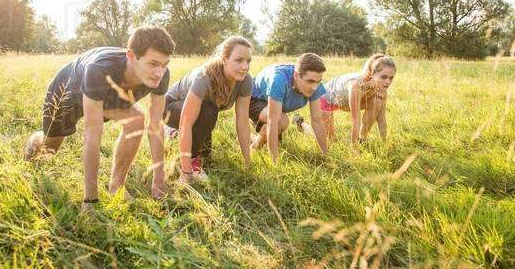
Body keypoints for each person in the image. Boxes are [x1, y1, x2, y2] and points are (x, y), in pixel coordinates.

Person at [24, 26, 175, 211]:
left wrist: (159, 178)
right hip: (70, 92)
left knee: (137, 119)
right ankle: (34, 141)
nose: (159, 73)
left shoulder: (161, 75)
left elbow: (156, 126)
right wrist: (90, 200)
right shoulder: (100, 69)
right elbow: (91, 135)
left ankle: (116, 187)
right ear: (131, 56)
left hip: (110, 95)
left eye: (164, 64)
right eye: (153, 64)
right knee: (48, 150)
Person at [163, 36, 253, 183]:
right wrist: (187, 172)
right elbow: (186, 123)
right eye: (239, 60)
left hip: (201, 112)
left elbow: (242, 123)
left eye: (248, 61)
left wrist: (248, 162)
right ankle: (185, 158)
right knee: (209, 111)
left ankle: (173, 135)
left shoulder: (245, 80)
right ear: (224, 59)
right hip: (169, 107)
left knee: (207, 160)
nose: (245, 66)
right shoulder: (204, 77)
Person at [249, 53, 328, 162]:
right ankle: (255, 147)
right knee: (281, 121)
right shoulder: (278, 80)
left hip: (276, 105)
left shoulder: (315, 86)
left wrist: (325, 156)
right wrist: (274, 163)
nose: (315, 87)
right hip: (255, 99)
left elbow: (317, 121)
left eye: (318, 81)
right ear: (296, 75)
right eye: (310, 81)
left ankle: (253, 138)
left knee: (277, 140)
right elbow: (273, 121)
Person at [320, 54, 396, 145]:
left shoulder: (382, 91)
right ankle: (303, 126)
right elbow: (355, 120)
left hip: (344, 101)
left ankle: (362, 138)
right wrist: (354, 149)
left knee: (377, 102)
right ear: (372, 74)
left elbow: (381, 118)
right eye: (383, 77)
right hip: (325, 99)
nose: (388, 82)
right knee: (330, 141)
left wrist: (384, 143)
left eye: (391, 78)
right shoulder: (357, 86)